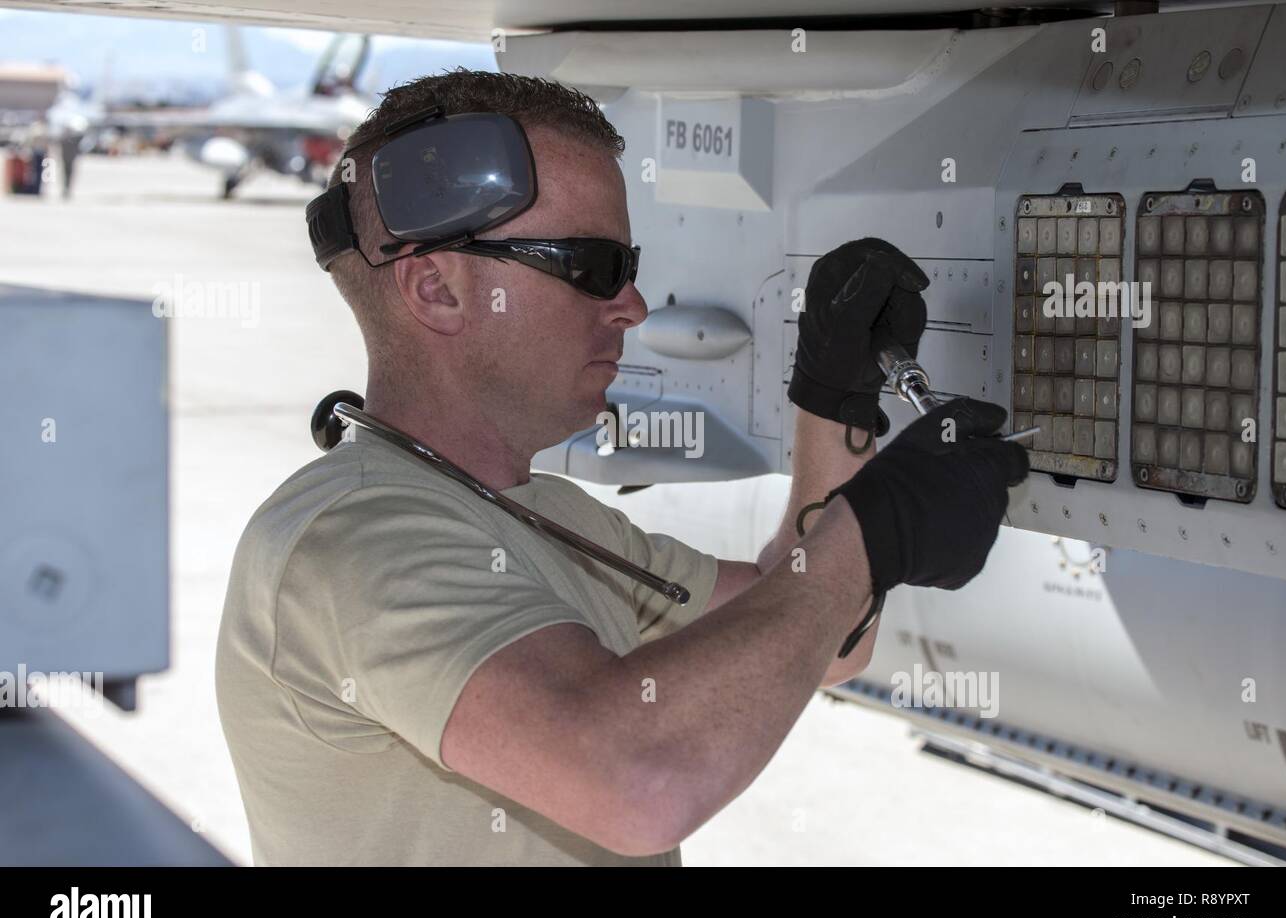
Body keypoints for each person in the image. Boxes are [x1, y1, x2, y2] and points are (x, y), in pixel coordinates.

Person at [215, 68, 1027, 866]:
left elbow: (818, 632)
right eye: (592, 267)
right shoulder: (355, 540)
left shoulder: (551, 518)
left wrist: (833, 400)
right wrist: (871, 533)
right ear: (437, 290)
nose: (633, 305)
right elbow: (634, 783)